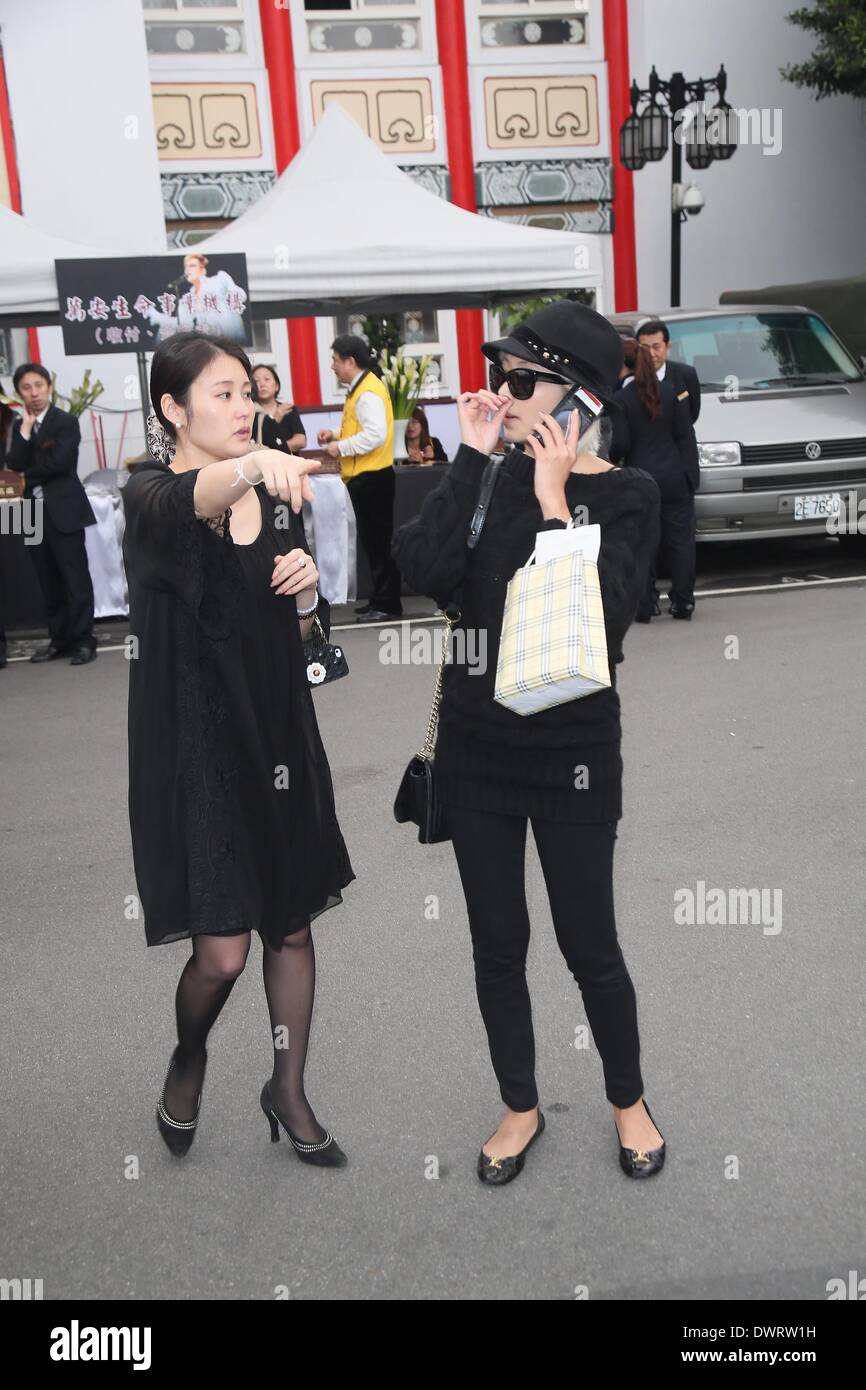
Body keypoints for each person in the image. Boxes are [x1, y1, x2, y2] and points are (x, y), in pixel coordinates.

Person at [392, 301, 666, 1186]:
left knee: (591, 944)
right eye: (497, 378)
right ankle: (520, 1105)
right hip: (478, 751)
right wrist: (471, 457)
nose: (499, 396)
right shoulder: (488, 473)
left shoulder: (628, 496)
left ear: (577, 403)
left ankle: (628, 1099)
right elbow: (422, 571)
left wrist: (555, 507)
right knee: (496, 943)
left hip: (575, 754)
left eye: (520, 384)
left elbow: (603, 621)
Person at [121, 330, 355, 1165]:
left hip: (279, 732)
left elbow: (300, 632)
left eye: (244, 393)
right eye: (219, 394)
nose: (240, 407)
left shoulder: (277, 494)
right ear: (170, 408)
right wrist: (259, 463)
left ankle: (287, 1090)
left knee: (291, 926)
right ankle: (190, 1057)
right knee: (221, 953)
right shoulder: (149, 492)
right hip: (196, 749)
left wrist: (306, 597)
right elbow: (193, 503)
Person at [6, 362, 98, 665]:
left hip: (64, 509)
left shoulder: (65, 421)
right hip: (30, 512)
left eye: (38, 386)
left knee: (75, 578)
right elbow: (15, 462)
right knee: (46, 579)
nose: (33, 393)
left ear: (49, 387)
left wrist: (21, 480)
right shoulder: (21, 425)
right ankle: (59, 640)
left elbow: (60, 464)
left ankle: (84, 640)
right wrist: (25, 430)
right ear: (19, 392)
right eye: (26, 388)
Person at [317, 334, 403, 622]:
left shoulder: (366, 392)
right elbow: (366, 430)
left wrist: (339, 447)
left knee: (379, 543)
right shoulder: (362, 388)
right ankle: (382, 599)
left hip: (373, 477)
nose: (332, 366)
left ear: (350, 361)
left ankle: (388, 604)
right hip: (368, 476)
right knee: (374, 543)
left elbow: (375, 436)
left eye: (335, 360)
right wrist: (337, 436)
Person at [618, 339, 699, 621]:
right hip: (675, 477)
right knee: (681, 541)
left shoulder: (621, 400)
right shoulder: (669, 392)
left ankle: (646, 604)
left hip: (641, 479)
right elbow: (685, 436)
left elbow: (621, 446)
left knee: (645, 544)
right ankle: (683, 602)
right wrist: (691, 477)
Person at [147, 254, 247, 342]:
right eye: (186, 267)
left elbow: (241, 296)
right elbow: (182, 323)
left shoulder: (219, 280)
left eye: (192, 266)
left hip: (229, 335)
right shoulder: (187, 299)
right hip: (209, 342)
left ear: (202, 270)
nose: (187, 270)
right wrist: (159, 317)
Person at [636, 319, 701, 422]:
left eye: (656, 347)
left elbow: (693, 413)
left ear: (668, 346)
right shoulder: (630, 379)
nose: (651, 354)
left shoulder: (686, 375)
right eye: (645, 348)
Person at [251, 364, 306, 454]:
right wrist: (274, 420)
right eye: (256, 381)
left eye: (267, 379)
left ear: (276, 386)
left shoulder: (288, 409)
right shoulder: (250, 412)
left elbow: (301, 441)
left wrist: (274, 448)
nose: (262, 384)